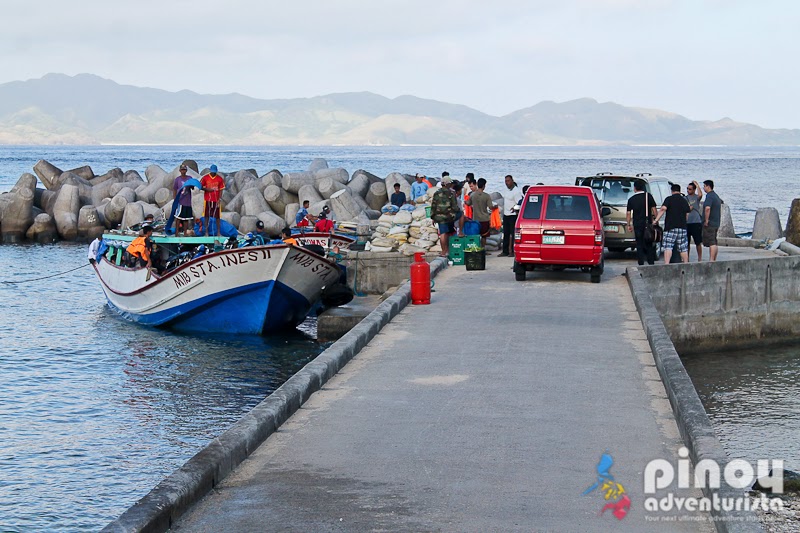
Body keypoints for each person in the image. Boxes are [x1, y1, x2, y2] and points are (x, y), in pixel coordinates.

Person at [654, 183, 691, 264]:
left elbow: (663, 208)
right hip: (682, 227)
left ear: (672, 191)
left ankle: (667, 264)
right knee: (683, 248)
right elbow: (687, 214)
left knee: (668, 247)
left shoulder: (669, 199)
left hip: (670, 227)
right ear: (679, 191)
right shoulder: (684, 200)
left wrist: (656, 220)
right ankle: (686, 264)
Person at [625, 181, 658, 265]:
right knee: (649, 244)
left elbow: (628, 213)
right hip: (648, 224)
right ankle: (651, 263)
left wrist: (628, 224)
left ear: (635, 188)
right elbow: (654, 210)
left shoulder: (631, 199)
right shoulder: (648, 196)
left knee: (639, 244)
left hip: (637, 225)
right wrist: (656, 220)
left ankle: (641, 263)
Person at [430, 176, 458, 257]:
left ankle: (443, 251)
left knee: (443, 233)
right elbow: (454, 206)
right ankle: (447, 250)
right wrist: (457, 212)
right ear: (448, 184)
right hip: (449, 216)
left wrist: (433, 217)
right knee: (448, 233)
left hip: (439, 217)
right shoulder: (451, 193)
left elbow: (433, 206)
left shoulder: (436, 193)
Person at [499, 175, 523, 257]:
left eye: (508, 181)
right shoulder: (506, 190)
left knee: (513, 234)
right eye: (506, 181)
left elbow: (519, 202)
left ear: (512, 181)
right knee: (505, 233)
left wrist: (515, 208)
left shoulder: (516, 191)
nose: (507, 183)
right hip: (506, 214)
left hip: (512, 215)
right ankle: (505, 251)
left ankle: (512, 251)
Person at [466, 178, 493, 247]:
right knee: (484, 236)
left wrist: (465, 201)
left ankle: (476, 249)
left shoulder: (472, 195)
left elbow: (468, 203)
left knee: (476, 235)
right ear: (484, 186)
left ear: (477, 185)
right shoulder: (486, 196)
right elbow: (490, 207)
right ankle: (483, 250)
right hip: (485, 219)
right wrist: (495, 207)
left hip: (475, 219)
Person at [201, 164, 225, 237]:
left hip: (216, 200)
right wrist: (207, 189)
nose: (213, 173)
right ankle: (206, 232)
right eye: (212, 172)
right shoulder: (205, 178)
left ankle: (218, 232)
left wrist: (219, 199)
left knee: (217, 217)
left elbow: (221, 189)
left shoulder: (219, 179)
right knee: (207, 216)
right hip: (207, 199)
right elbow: (201, 186)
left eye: (214, 172)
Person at [702, 179, 722, 262]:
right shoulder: (716, 196)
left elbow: (707, 208)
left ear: (708, 186)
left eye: (704, 186)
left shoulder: (709, 196)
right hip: (716, 222)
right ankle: (713, 259)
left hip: (711, 222)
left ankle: (711, 260)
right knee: (714, 241)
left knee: (711, 242)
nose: (703, 188)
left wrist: (706, 220)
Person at [173, 164, 194, 236]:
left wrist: (191, 185)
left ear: (186, 170)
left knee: (186, 218)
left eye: (184, 170)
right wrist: (175, 199)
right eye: (182, 170)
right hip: (180, 201)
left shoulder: (189, 178)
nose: (183, 171)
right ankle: (177, 232)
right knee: (178, 217)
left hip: (187, 201)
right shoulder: (177, 179)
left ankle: (185, 233)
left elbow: (192, 188)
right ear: (180, 171)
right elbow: (175, 189)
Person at [685, 180, 704, 261]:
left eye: (690, 189)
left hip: (696, 222)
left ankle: (699, 258)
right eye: (687, 189)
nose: (688, 190)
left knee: (698, 242)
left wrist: (697, 185)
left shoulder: (696, 197)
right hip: (687, 222)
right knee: (687, 242)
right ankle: (687, 258)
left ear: (693, 190)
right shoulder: (685, 198)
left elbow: (700, 195)